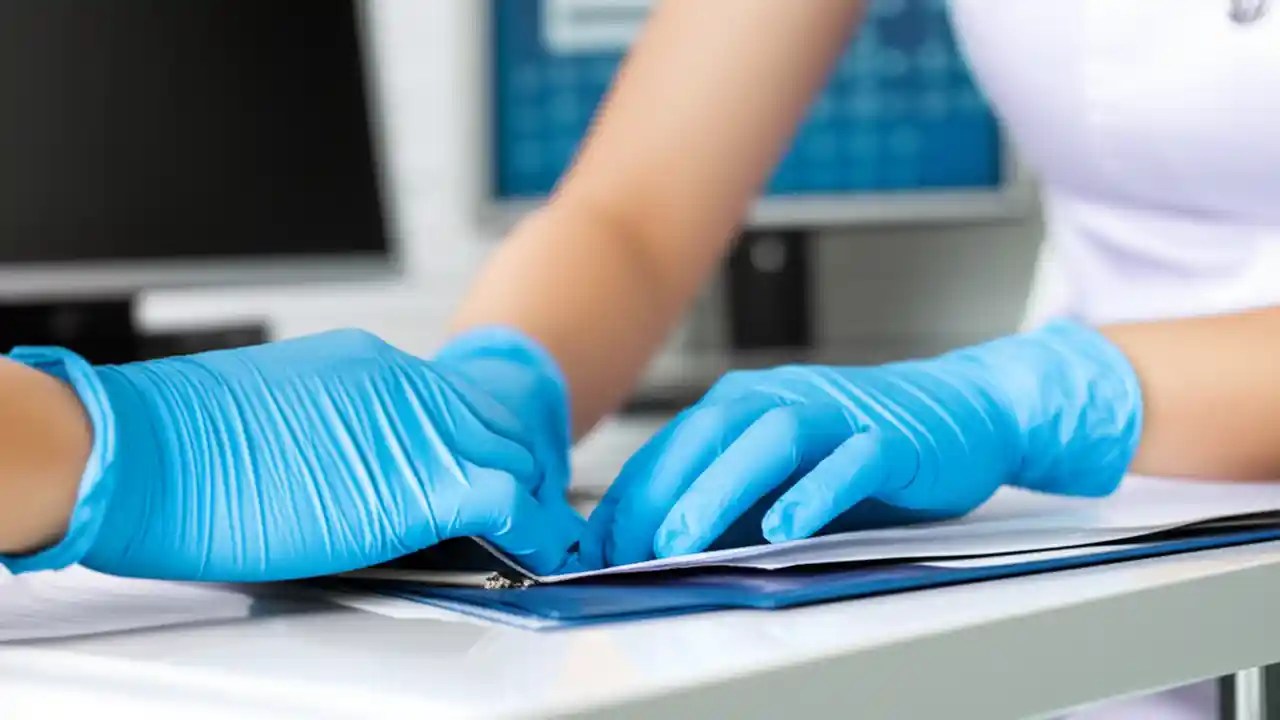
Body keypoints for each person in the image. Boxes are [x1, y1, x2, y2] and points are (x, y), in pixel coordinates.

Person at [2, 1, 1277, 594]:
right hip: (1091, 543)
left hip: (1133, 445)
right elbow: (635, 209)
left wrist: (1043, 394)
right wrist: (506, 374)